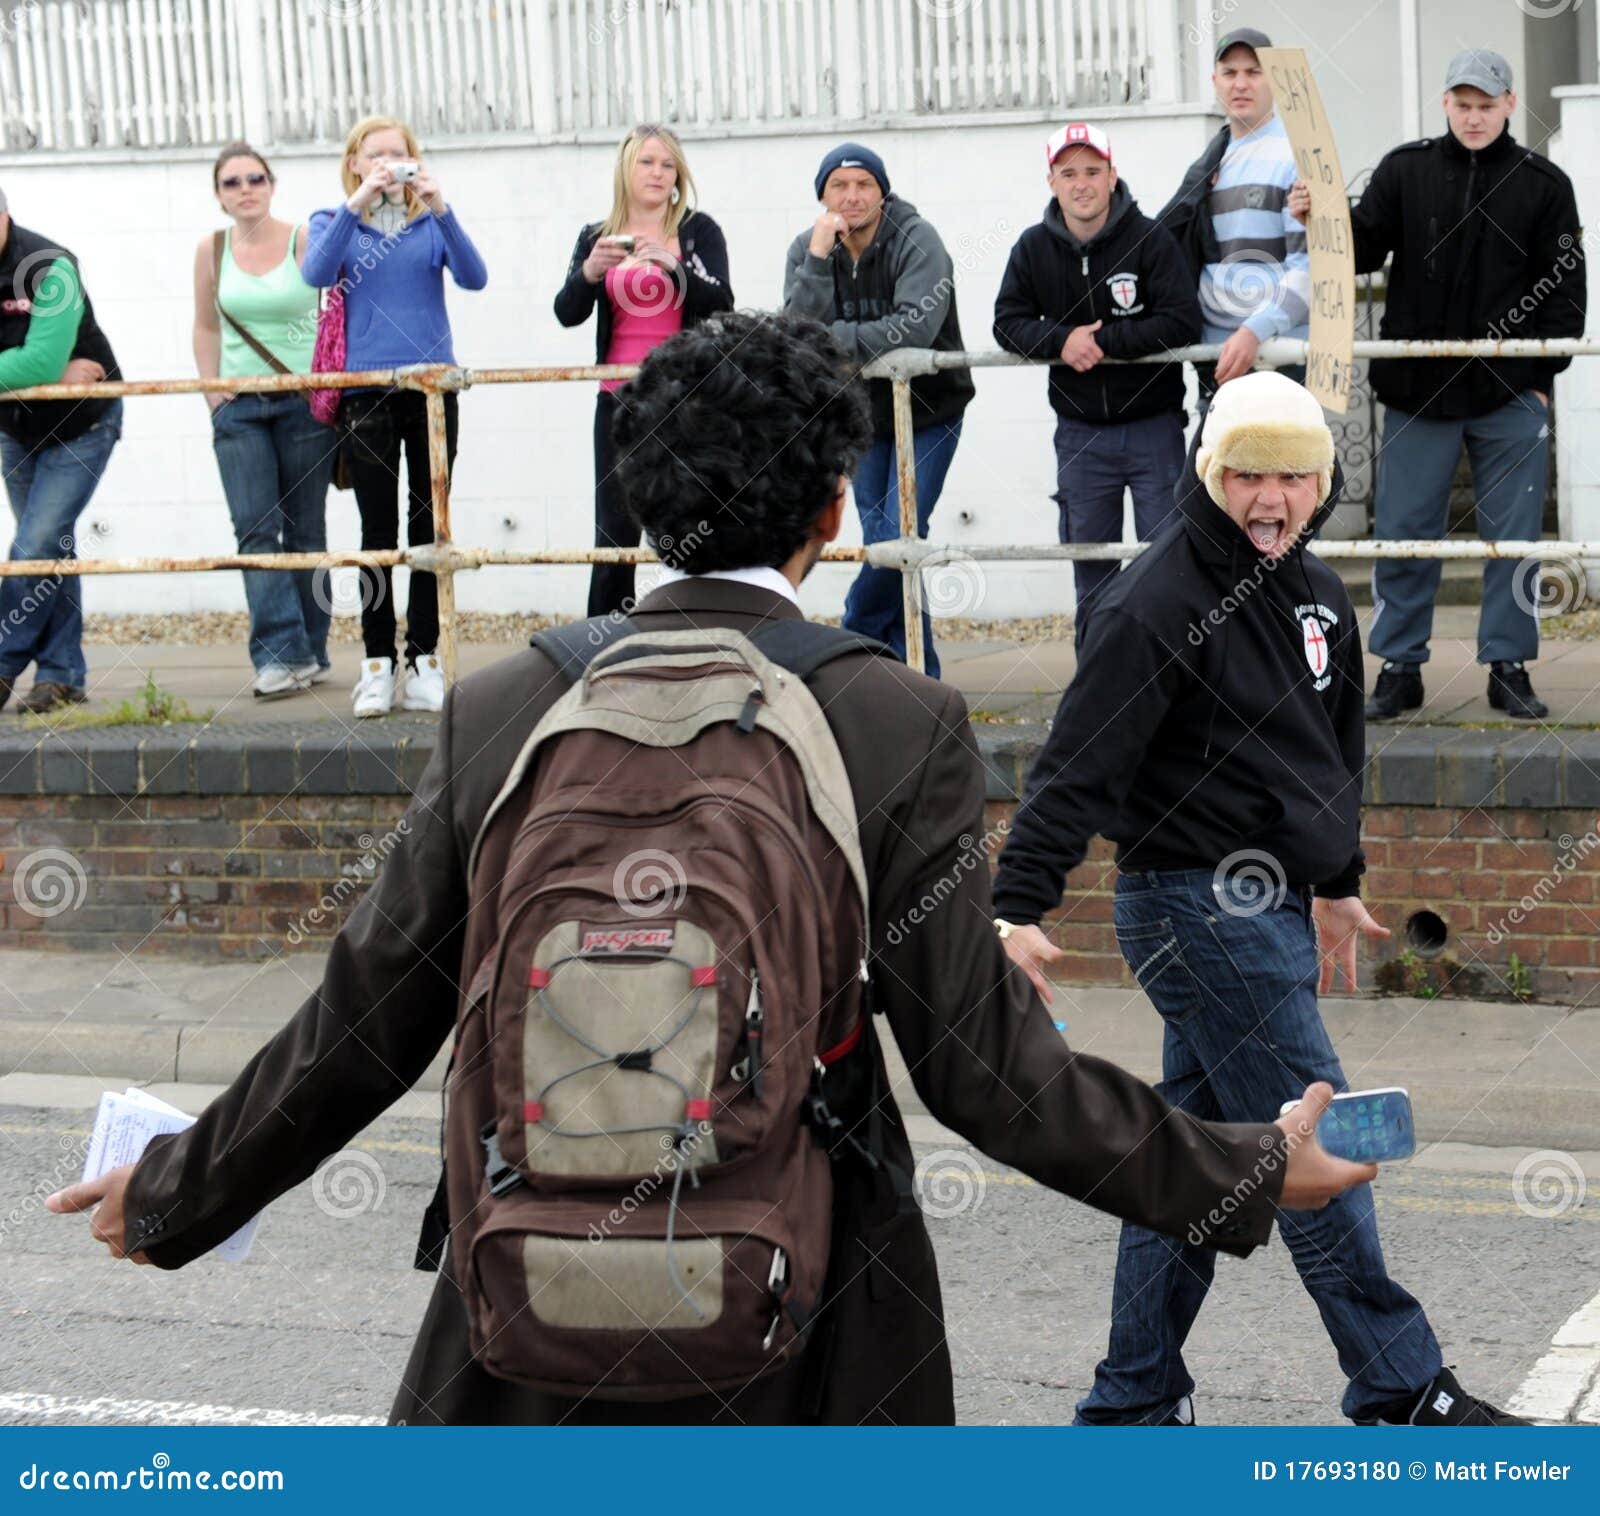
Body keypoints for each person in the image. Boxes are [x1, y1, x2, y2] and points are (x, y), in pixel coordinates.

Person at [50, 315, 1372, 1427]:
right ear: (836, 509)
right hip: (813, 1317)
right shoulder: (894, 723)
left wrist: (170, 1195)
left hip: (527, 1296)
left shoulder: (505, 706)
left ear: (644, 500)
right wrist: (1252, 1168)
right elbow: (994, 1077)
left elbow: (362, 1024)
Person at [991, 370, 1526, 1428]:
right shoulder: (1153, 601)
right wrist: (1018, 905)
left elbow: (1331, 750)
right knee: (1315, 1143)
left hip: (1272, 908)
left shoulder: (1317, 591)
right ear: (1210, 474)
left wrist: (1337, 884)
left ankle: (1134, 1397)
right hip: (1198, 910)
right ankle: (1402, 1389)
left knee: (1193, 1164)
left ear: (1319, 483)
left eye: (1292, 473)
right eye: (1248, 473)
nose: (1270, 493)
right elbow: (1076, 765)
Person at [1301, 50, 1586, 722]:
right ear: (1445, 104)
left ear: (1510, 105)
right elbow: (1359, 250)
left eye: (1486, 105)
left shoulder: (1545, 185)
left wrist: (1541, 384)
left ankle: (1508, 667)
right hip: (1416, 394)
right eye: (1463, 104)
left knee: (1513, 541)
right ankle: (1400, 669)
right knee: (1404, 534)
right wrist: (1320, 218)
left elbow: (1566, 296)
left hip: (1511, 396)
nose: (1474, 116)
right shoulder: (1405, 170)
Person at [302, 115, 488, 719]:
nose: (387, 166)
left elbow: (474, 276)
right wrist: (358, 201)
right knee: (376, 533)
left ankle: (425, 659)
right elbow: (315, 273)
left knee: (430, 531)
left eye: (398, 156)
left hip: (432, 389)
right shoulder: (334, 221)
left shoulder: (428, 222)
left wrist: (442, 207)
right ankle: (377, 663)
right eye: (374, 156)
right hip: (368, 392)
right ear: (355, 161)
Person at [994, 123, 1202, 648]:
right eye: (1069, 173)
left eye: (1092, 170)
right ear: (1051, 181)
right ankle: (1099, 689)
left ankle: (1174, 682)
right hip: (1080, 436)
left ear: (1113, 176)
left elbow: (1182, 321)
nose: (1081, 183)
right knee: (1092, 572)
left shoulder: (1151, 238)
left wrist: (1105, 342)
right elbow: (1006, 322)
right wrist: (1061, 341)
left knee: (1167, 563)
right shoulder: (1032, 247)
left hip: (1155, 430)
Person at [783, 143, 973, 677]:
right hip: (860, 418)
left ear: (882, 192)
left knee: (898, 531)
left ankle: (854, 636)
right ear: (822, 195)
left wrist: (832, 339)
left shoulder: (918, 240)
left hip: (930, 411)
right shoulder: (807, 249)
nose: (852, 196)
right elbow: (797, 333)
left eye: (864, 184)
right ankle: (915, 676)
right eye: (839, 186)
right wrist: (820, 262)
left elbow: (912, 329)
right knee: (890, 545)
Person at [554, 123, 733, 620]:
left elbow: (723, 304)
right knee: (613, 535)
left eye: (668, 164)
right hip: (618, 400)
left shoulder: (699, 231)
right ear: (626, 169)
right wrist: (589, 273)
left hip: (683, 400)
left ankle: (692, 641)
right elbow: (566, 312)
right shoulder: (596, 235)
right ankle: (603, 651)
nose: (658, 173)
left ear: (679, 175)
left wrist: (673, 268)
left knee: (686, 529)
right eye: (647, 162)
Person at [193, 142, 335, 701]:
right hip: (241, 409)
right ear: (220, 196)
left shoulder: (304, 238)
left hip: (303, 401)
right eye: (232, 182)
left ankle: (312, 649)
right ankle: (280, 655)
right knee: (255, 530)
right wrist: (212, 390)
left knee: (306, 531)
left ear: (272, 185)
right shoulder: (212, 249)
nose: (245, 189)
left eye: (255, 178)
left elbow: (333, 306)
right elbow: (204, 326)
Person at [0, 187, 122, 715]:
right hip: (15, 427)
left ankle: (3, 664)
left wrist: (41, 367)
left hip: (83, 422)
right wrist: (30, 366)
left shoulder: (51, 267)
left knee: (34, 547)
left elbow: (40, 368)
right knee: (52, 548)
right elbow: (29, 365)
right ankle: (62, 674)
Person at [1158, 27, 1308, 401]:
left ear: (1275, 78)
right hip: (1217, 361)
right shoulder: (1207, 164)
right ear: (1215, 81)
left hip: (1278, 358)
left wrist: (1253, 332)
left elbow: (1309, 272)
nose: (1240, 83)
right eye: (1230, 72)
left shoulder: (1299, 158)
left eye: (1253, 72)